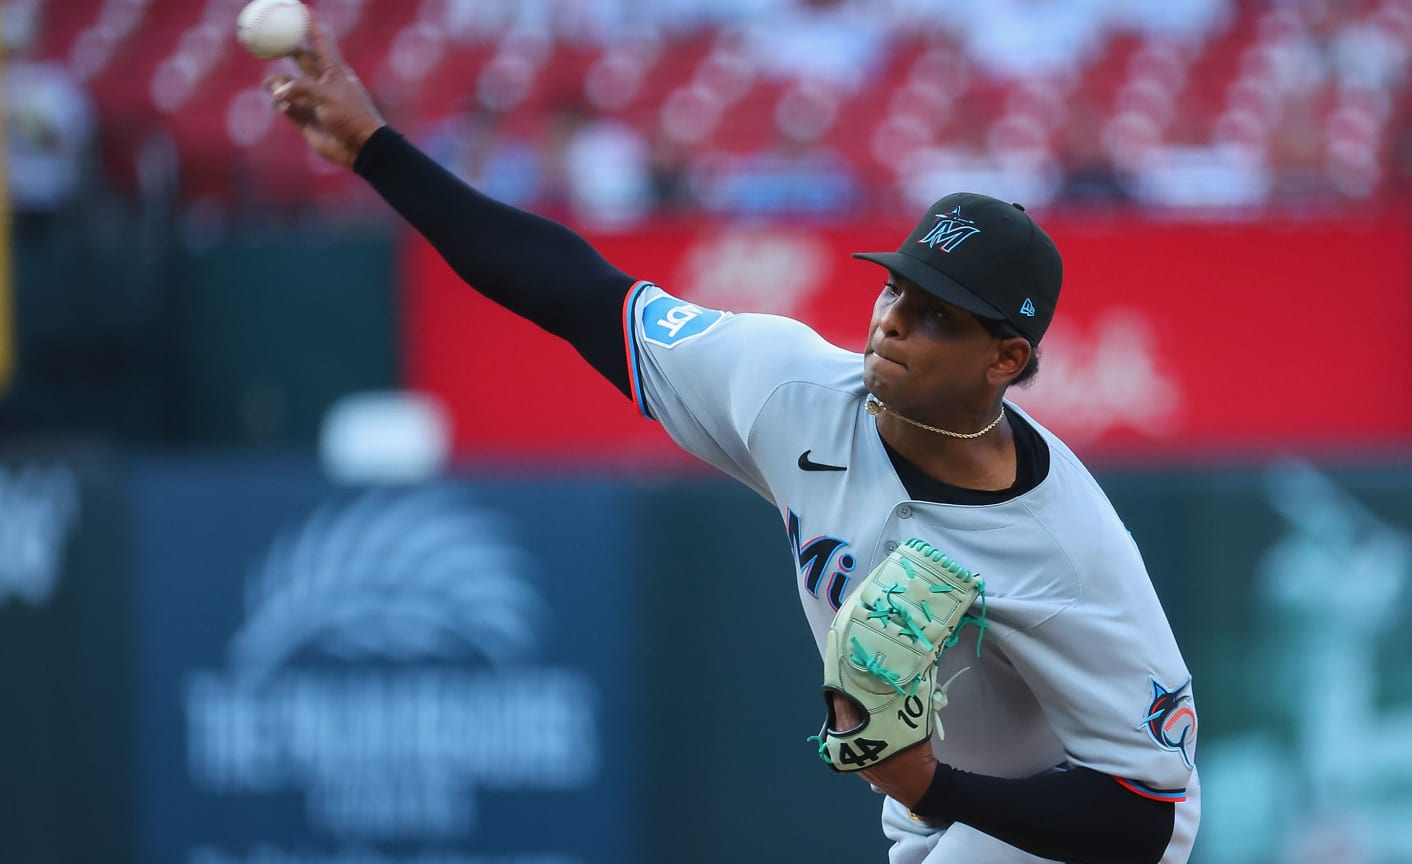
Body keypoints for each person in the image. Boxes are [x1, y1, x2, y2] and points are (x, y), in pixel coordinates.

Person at [265, 23, 1200, 864]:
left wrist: (929, 784)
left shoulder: (1072, 549)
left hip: (1088, 812)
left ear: (1006, 357)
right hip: (932, 815)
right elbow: (574, 291)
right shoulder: (790, 387)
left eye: (936, 316)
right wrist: (372, 148)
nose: (893, 323)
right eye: (895, 291)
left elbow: (1144, 816)